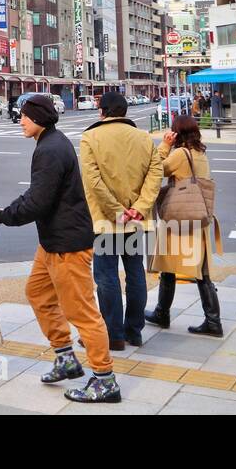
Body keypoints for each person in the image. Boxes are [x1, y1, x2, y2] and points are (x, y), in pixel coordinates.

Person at [0, 94, 120, 404]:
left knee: (82, 312)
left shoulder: (50, 149)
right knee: (38, 293)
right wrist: (5, 210)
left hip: (67, 244)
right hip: (53, 243)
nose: (20, 120)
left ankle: (104, 378)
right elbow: (37, 193)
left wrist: (1, 216)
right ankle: (65, 356)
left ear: (39, 118)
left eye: (25, 116)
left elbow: (38, 202)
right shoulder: (50, 143)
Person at [79, 91, 163, 350]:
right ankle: (134, 331)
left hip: (106, 221)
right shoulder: (144, 138)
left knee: (106, 277)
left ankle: (113, 335)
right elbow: (156, 173)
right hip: (138, 221)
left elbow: (92, 182)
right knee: (135, 272)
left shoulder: (90, 137)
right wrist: (138, 208)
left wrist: (117, 211)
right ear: (125, 111)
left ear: (102, 111)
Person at [146, 115, 223, 338]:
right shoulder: (200, 152)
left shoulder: (180, 154)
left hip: (179, 217)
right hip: (197, 217)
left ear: (177, 133)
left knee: (169, 266)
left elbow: (156, 170)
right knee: (200, 270)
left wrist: (164, 145)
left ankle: (165, 314)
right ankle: (211, 320)